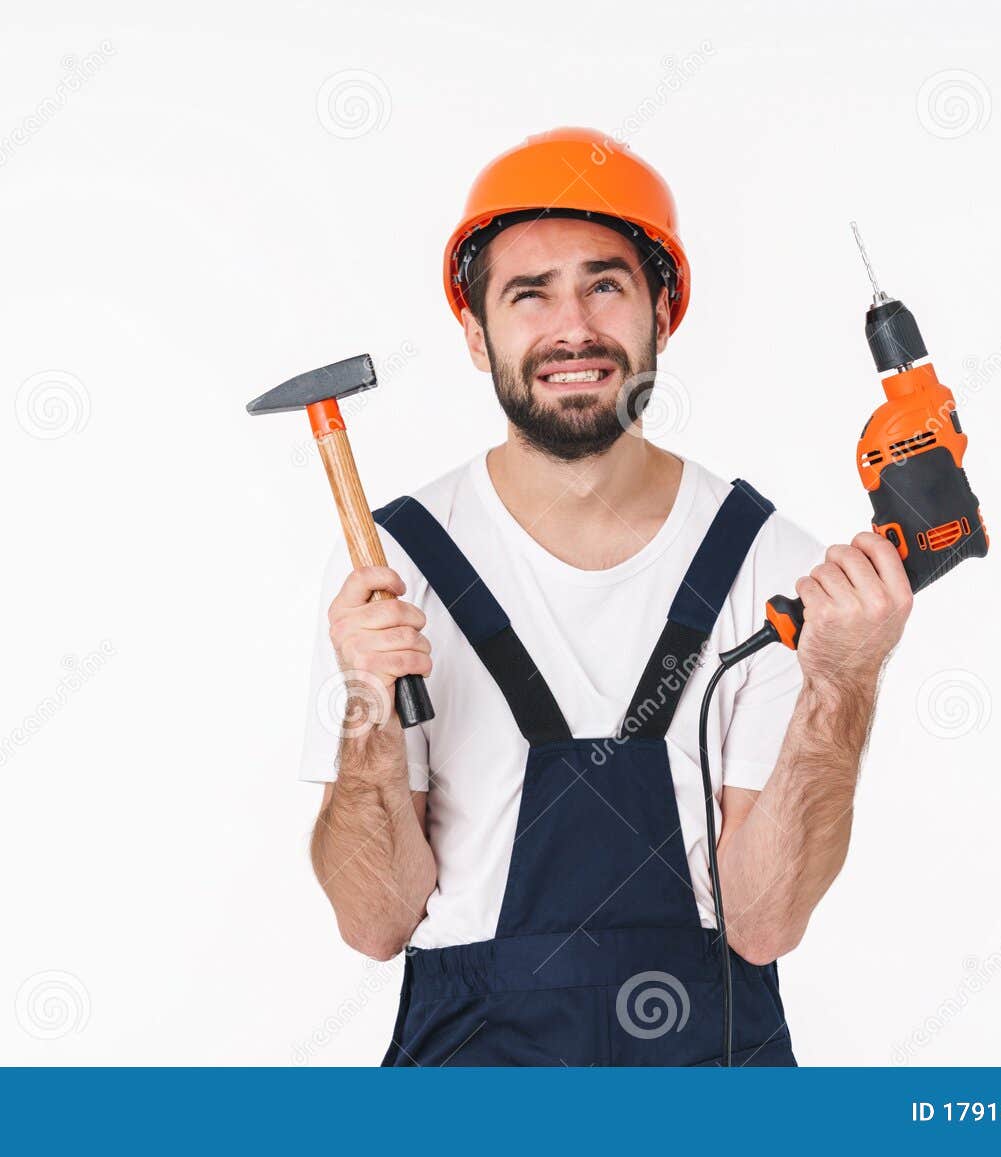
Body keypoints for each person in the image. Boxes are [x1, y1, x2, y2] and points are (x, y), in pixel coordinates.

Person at [297, 127, 912, 1066]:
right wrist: (367, 711)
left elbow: (765, 921)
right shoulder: (389, 577)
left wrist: (844, 684)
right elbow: (374, 922)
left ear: (662, 312)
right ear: (475, 333)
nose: (571, 328)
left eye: (605, 284)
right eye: (528, 294)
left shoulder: (768, 567)